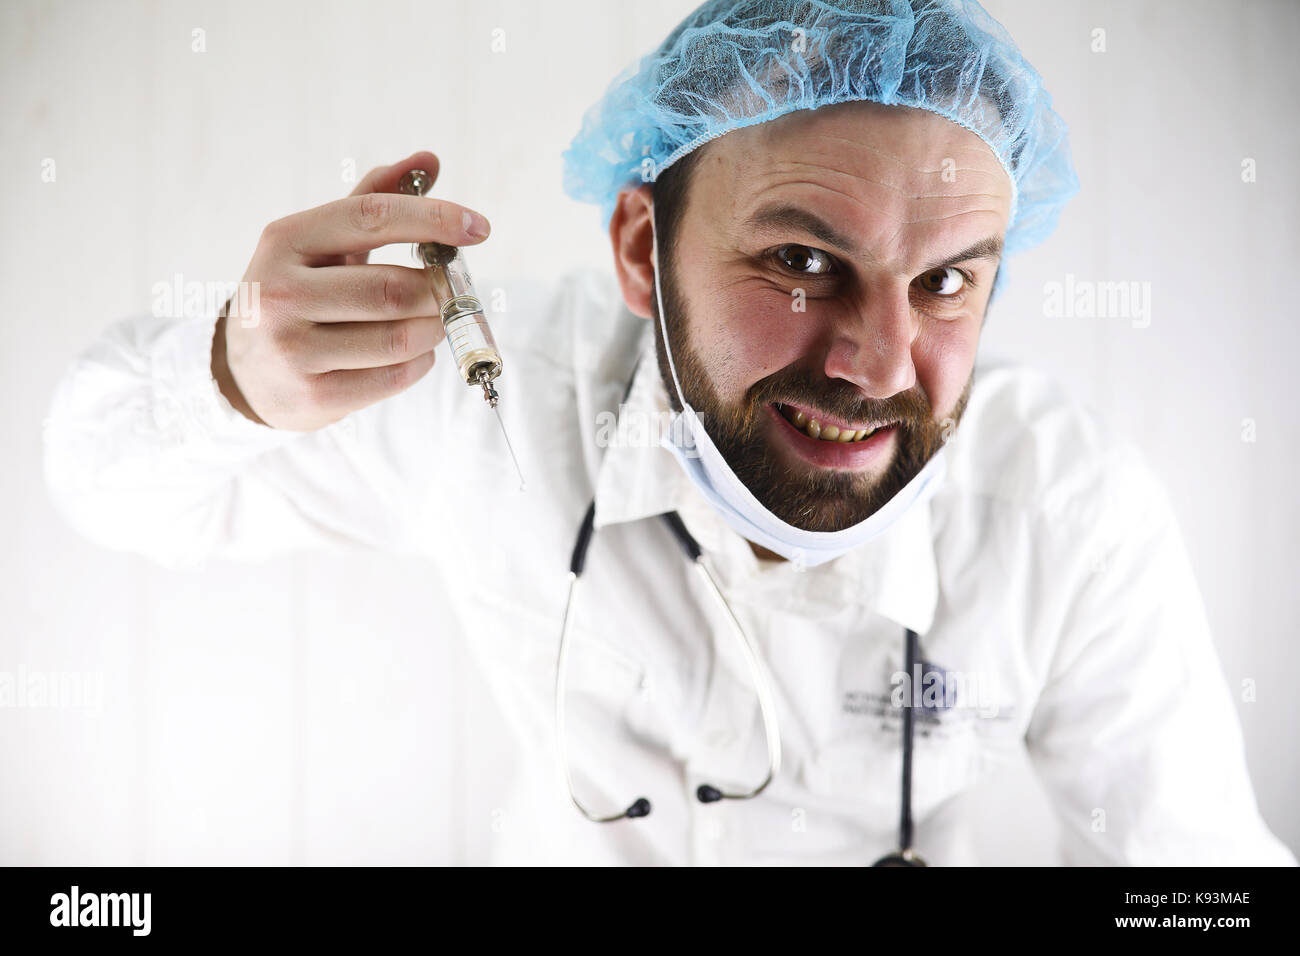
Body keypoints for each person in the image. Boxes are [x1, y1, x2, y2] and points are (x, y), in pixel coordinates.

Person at [43, 0, 1295, 865]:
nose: (876, 362)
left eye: (946, 281)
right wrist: (232, 372)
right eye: (804, 261)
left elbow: (1196, 877)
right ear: (643, 248)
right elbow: (102, 482)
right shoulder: (493, 404)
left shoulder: (1066, 508)